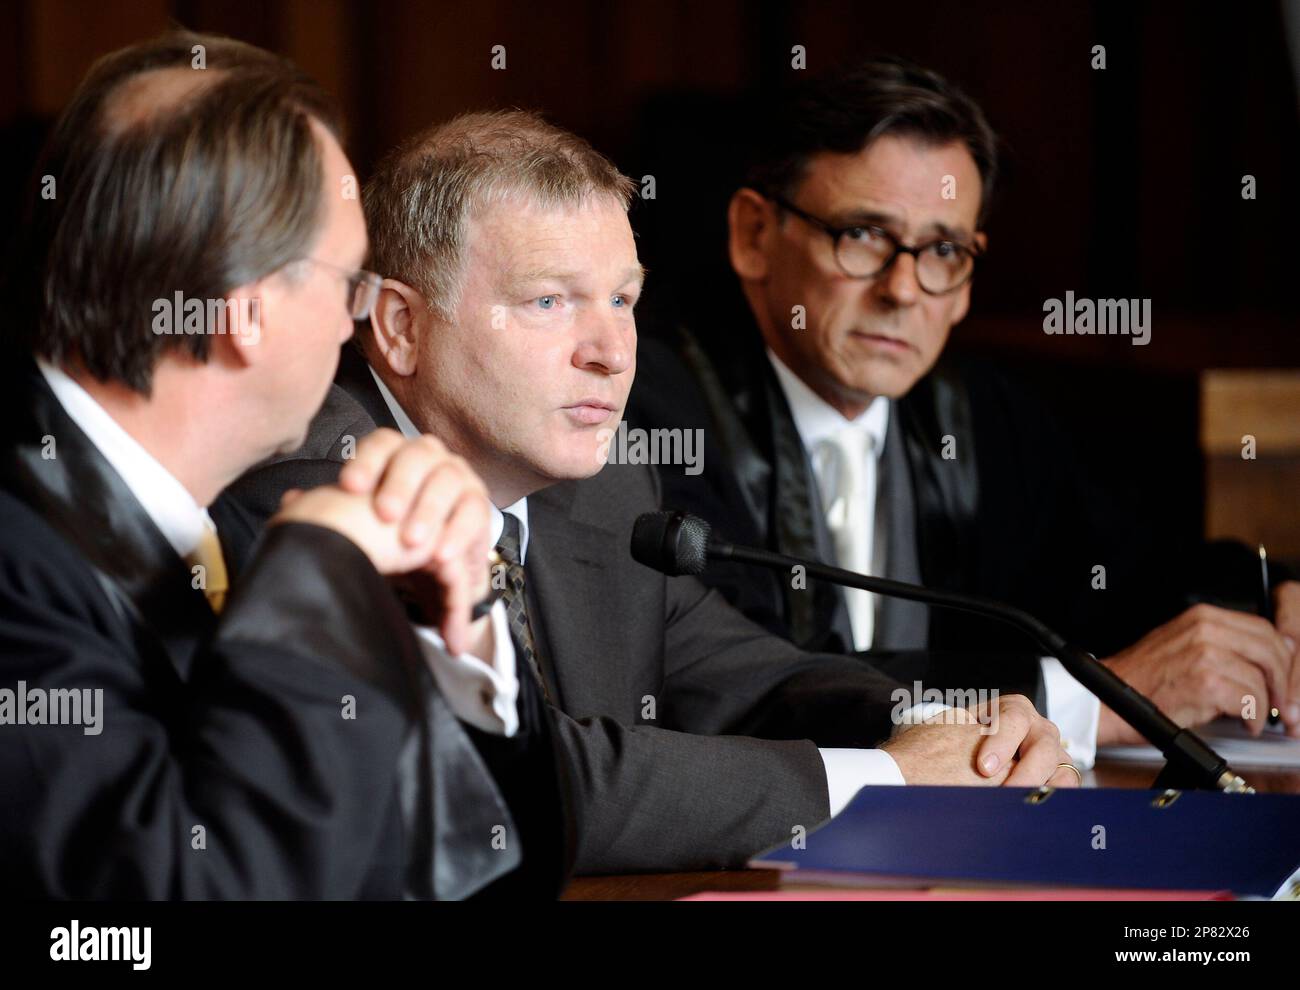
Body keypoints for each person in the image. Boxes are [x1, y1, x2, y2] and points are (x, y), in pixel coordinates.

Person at [228, 110, 1077, 877]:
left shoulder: (601, 493)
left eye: (624, 299)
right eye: (550, 300)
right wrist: (888, 779)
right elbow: (514, 780)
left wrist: (954, 734)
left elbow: (756, 680)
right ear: (402, 327)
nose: (611, 352)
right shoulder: (322, 488)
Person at [0, 32, 568, 899]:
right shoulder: (18, 556)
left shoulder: (236, 532)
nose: (353, 326)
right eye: (347, 284)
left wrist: (458, 628)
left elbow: (494, 871)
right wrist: (319, 584)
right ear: (248, 311)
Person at [623, 56, 1300, 759]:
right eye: (861, 236)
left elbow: (1127, 577)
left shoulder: (984, 416)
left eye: (942, 250)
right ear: (754, 236)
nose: (904, 290)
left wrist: (1270, 598)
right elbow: (750, 685)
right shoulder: (647, 416)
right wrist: (1087, 700)